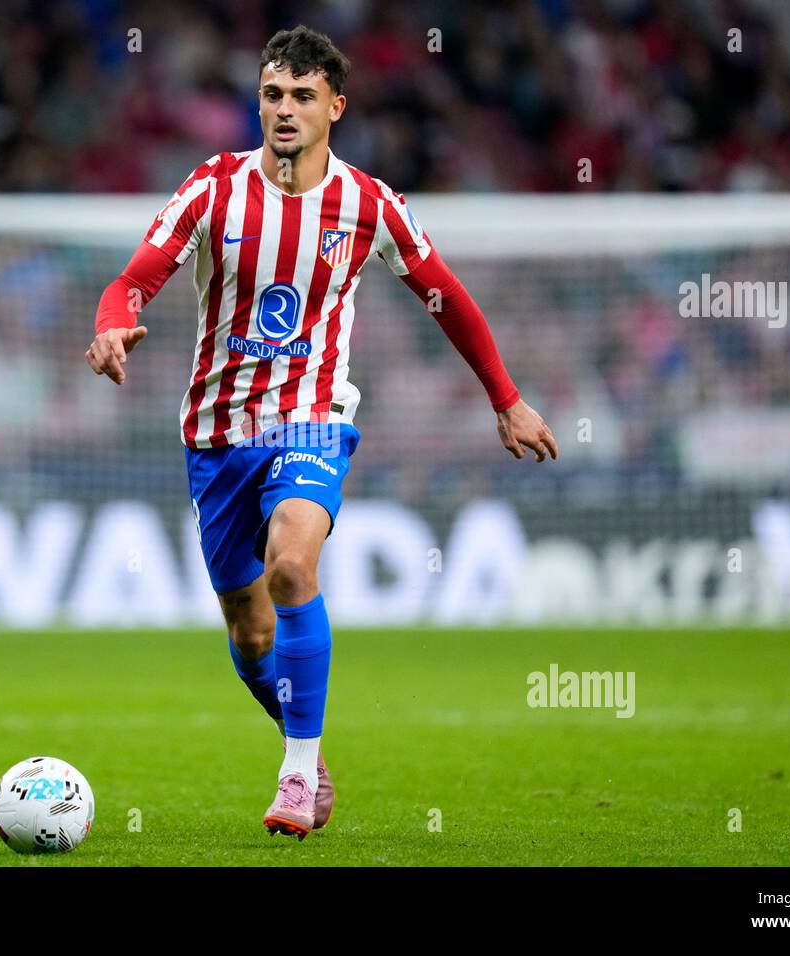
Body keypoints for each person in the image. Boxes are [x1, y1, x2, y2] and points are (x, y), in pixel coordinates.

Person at [88, 25, 558, 840]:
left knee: (292, 567)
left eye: (303, 96)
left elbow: (446, 297)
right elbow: (133, 281)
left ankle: (297, 778)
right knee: (247, 629)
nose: (285, 110)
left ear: (335, 106)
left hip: (312, 417)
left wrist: (506, 398)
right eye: (273, 94)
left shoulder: (370, 205)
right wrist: (112, 326)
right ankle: (301, 741)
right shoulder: (212, 190)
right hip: (216, 434)